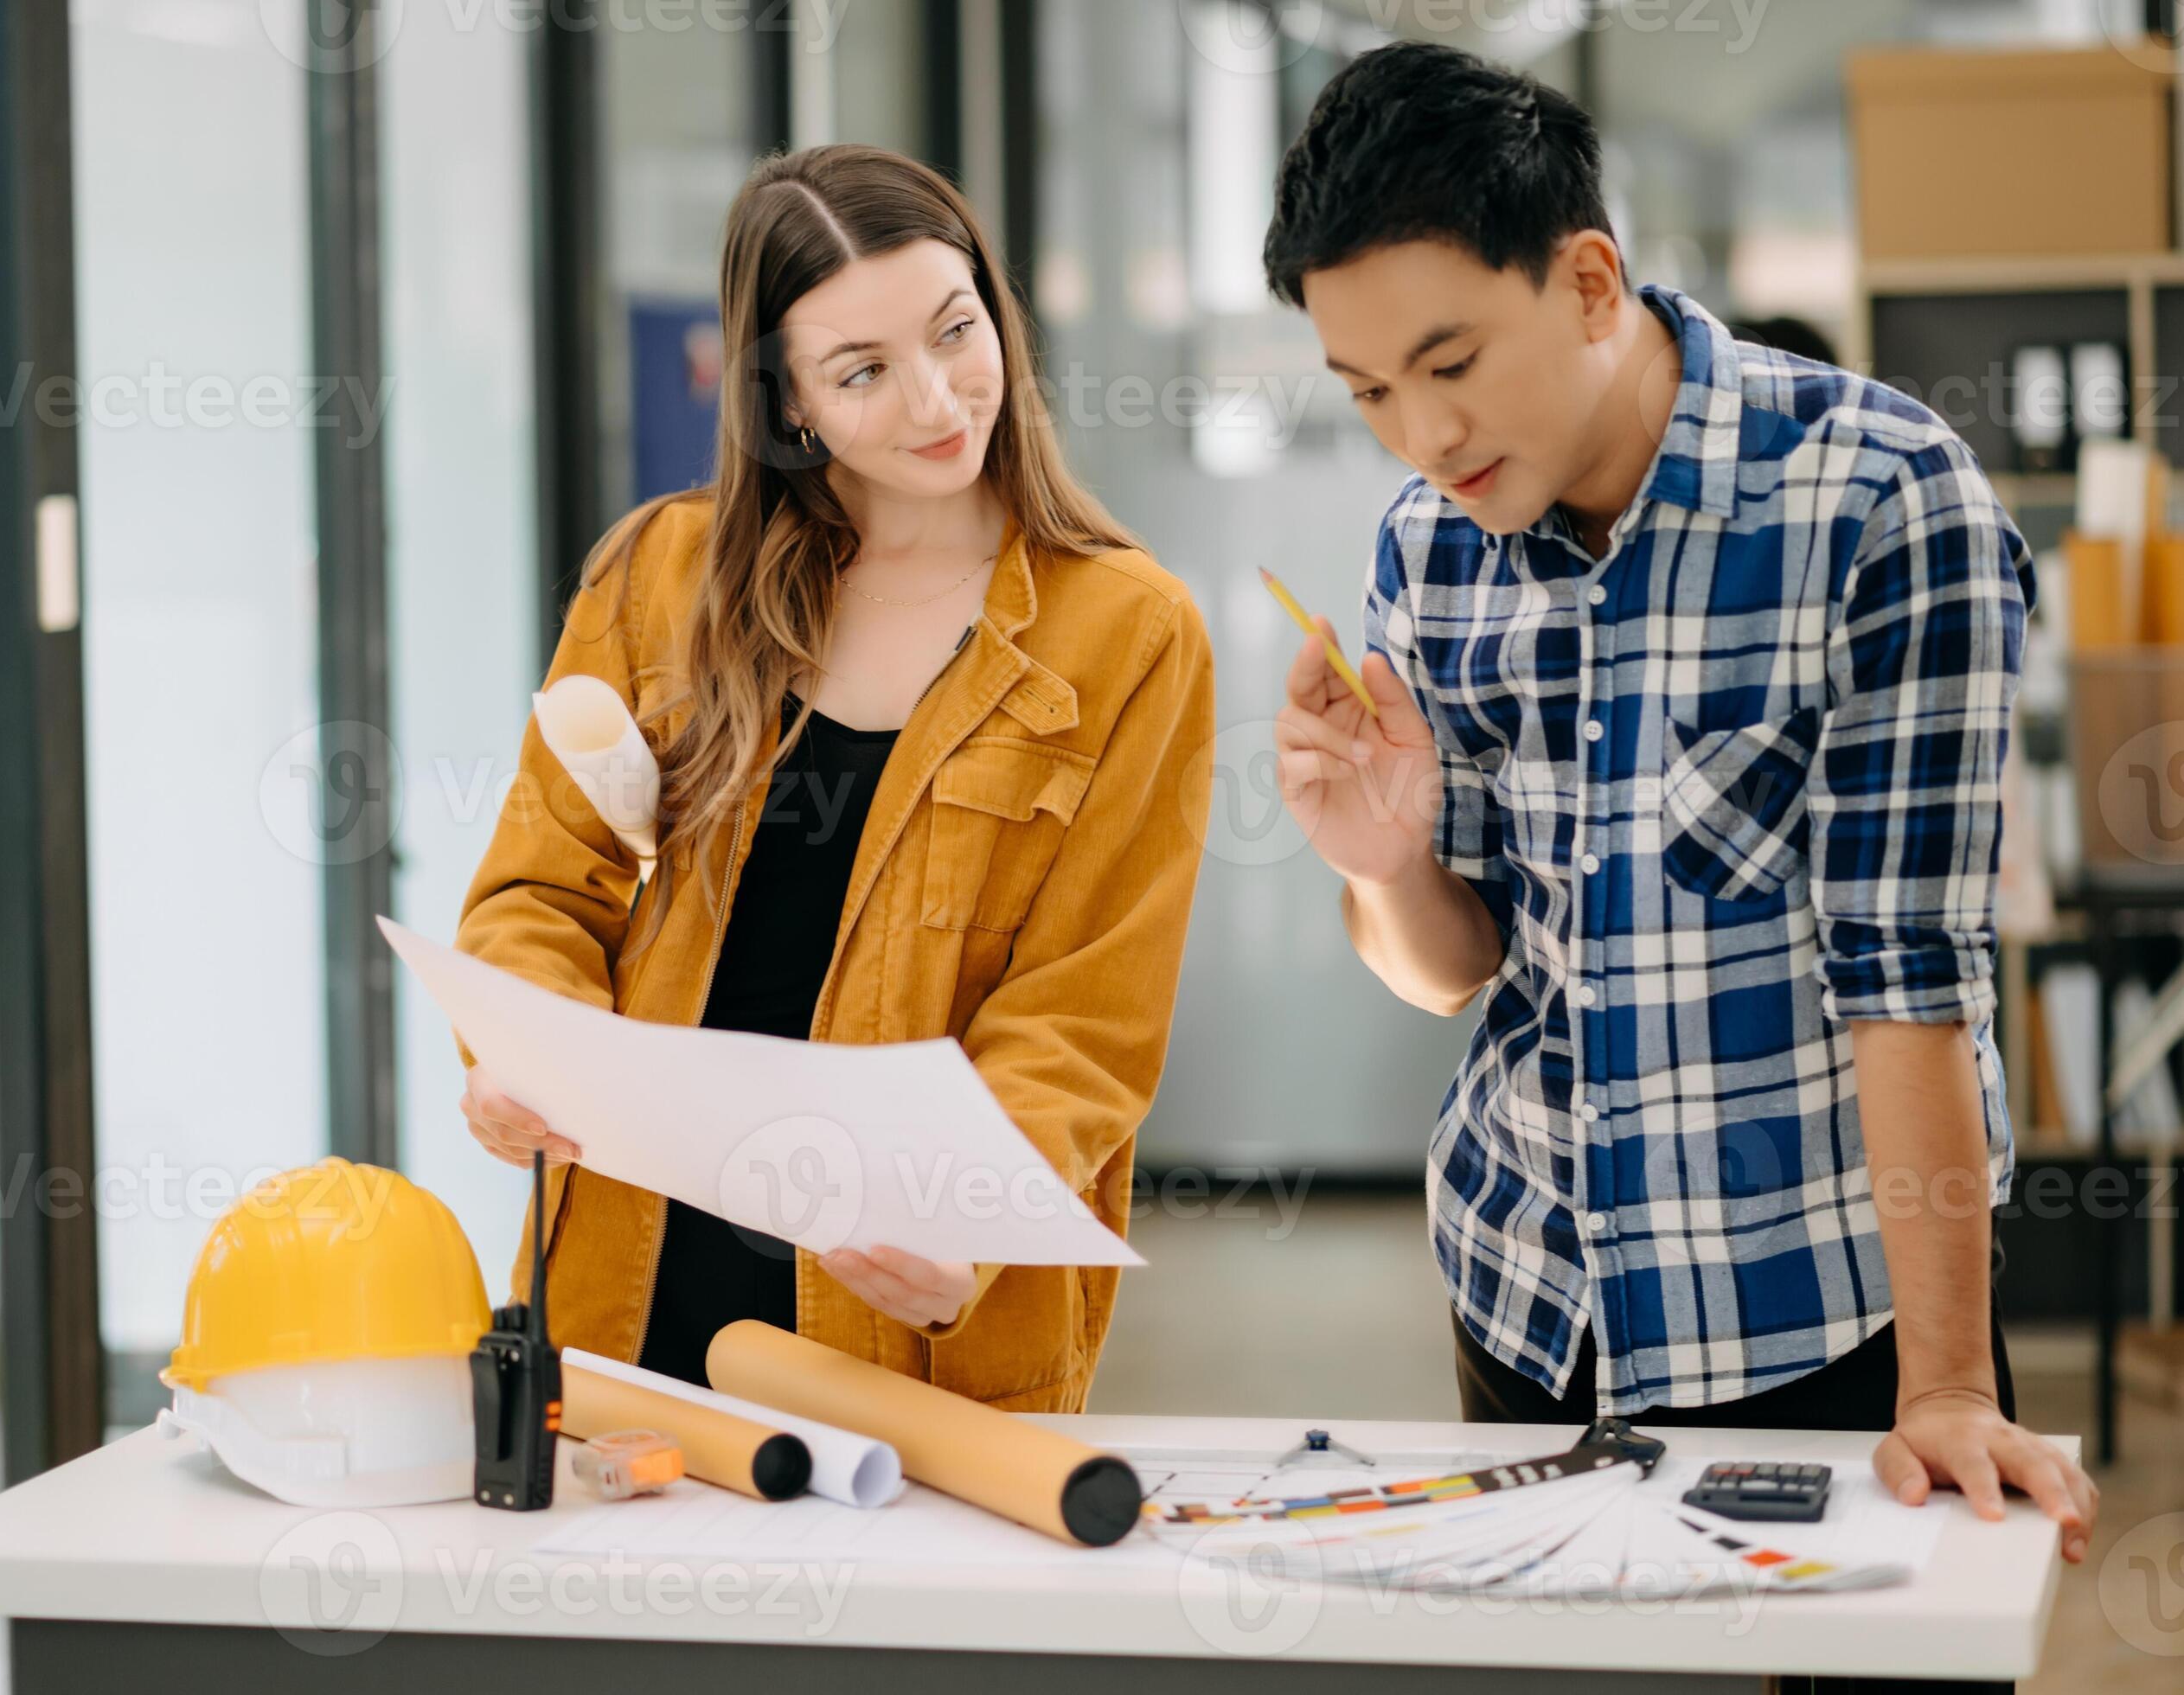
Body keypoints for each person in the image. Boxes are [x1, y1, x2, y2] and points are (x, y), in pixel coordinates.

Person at [1261, 40, 2097, 1596]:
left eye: (1449, 366)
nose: (1421, 439)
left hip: (1823, 1314)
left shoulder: (1879, 501)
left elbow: (1909, 974)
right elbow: (1453, 972)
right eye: (1369, 390)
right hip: (1529, 1303)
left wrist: (1947, 1390)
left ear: (1588, 282)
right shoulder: (1426, 552)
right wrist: (1381, 864)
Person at [454, 144, 1214, 1412]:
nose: (936, 402)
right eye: (862, 371)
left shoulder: (1128, 632)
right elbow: (541, 894)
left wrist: (963, 1215)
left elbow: (1084, 1016)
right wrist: (518, 1052)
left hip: (911, 1298)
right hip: (627, 1279)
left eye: (954, 331)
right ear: (788, 402)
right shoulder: (659, 578)